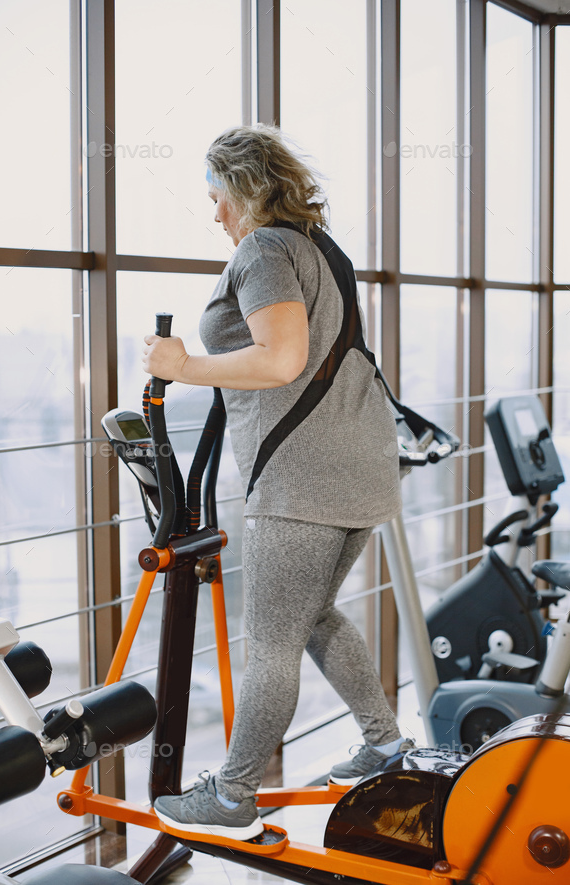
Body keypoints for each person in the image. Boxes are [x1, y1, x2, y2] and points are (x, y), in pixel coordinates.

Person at [143, 124, 412, 841]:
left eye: (217, 196)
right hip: (359, 470)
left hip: (302, 485)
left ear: (244, 189)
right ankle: (386, 741)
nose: (215, 215)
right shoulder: (322, 249)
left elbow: (281, 358)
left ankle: (232, 794)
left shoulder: (264, 248)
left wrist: (181, 365)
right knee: (315, 615)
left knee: (270, 643)